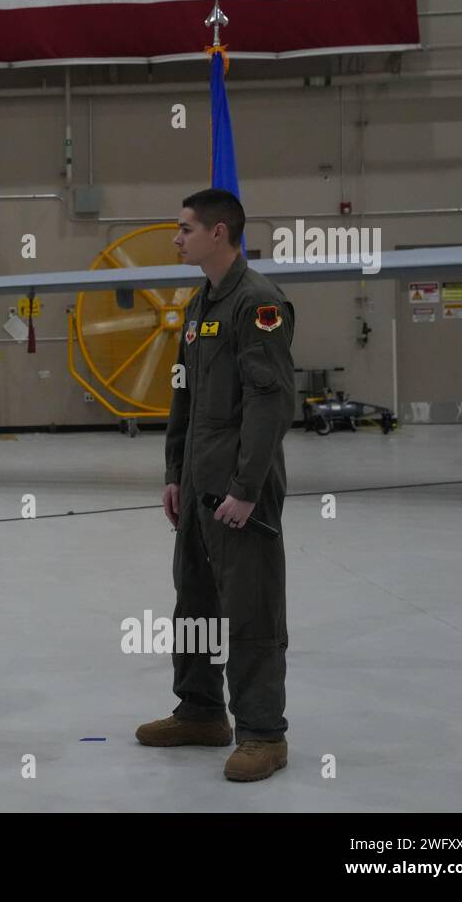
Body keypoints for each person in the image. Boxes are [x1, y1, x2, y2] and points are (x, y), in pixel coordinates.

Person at [137, 188, 296, 782]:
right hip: (200, 485)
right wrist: (174, 476)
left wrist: (247, 486)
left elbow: (270, 402)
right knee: (195, 603)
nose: (177, 238)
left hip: (238, 489)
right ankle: (201, 712)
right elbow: (185, 395)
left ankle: (263, 733)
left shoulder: (257, 303)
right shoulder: (201, 302)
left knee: (250, 608)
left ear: (219, 233)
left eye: (185, 229)